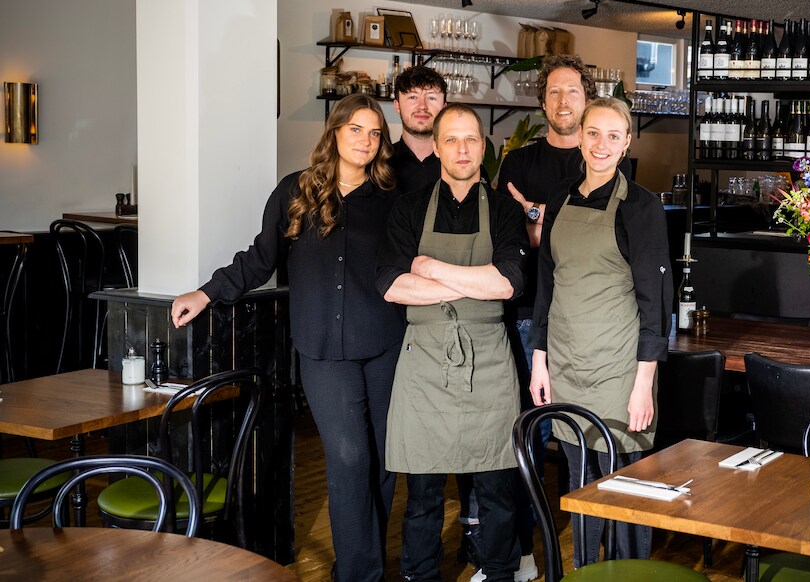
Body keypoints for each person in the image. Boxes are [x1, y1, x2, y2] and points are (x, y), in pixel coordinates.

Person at [170, 94, 402, 582]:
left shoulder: (391, 197)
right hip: (322, 349)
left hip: (385, 344)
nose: (365, 140)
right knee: (348, 459)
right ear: (335, 132)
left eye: (375, 132)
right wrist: (206, 293)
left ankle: (361, 562)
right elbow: (260, 257)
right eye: (356, 129)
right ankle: (361, 576)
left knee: (383, 461)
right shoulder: (295, 191)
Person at [376, 103, 527, 582]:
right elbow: (390, 285)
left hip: (488, 359)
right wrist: (472, 282)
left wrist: (431, 268)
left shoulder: (503, 207)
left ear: (483, 147)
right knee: (421, 493)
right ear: (437, 147)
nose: (463, 149)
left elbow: (508, 283)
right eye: (452, 140)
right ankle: (421, 576)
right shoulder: (410, 206)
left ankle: (500, 572)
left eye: (472, 140)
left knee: (498, 484)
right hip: (424, 362)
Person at [528, 97, 672, 565]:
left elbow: (656, 303)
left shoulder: (641, 207)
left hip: (619, 372)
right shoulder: (561, 198)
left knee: (627, 492)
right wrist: (539, 361)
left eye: (614, 136)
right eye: (594, 133)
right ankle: (585, 573)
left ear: (627, 142)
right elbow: (546, 289)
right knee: (580, 483)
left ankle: (630, 575)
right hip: (568, 365)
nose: (601, 145)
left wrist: (643, 385)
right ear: (581, 137)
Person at [388, 65, 448, 194]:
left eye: (431, 98)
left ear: (444, 108)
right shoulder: (379, 164)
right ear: (397, 106)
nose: (422, 106)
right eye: (412, 97)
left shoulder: (460, 164)